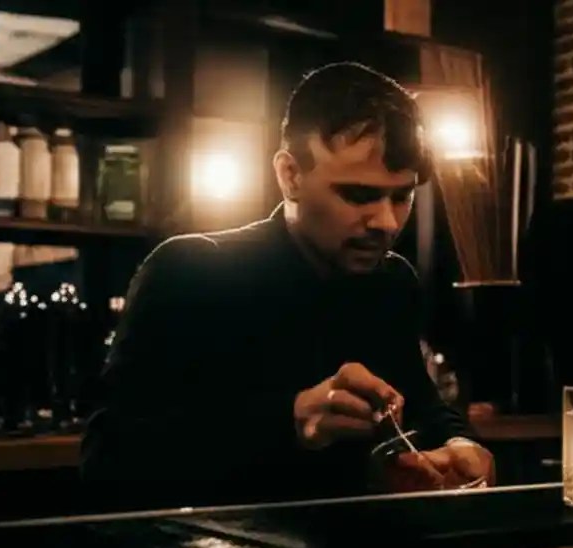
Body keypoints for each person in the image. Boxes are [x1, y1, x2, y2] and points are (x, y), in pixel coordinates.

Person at [81, 62, 494, 507]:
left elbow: (425, 409)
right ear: (290, 175)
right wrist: (292, 420)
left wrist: (461, 447)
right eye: (358, 195)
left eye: (402, 195)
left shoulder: (391, 283)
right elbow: (109, 460)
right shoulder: (189, 271)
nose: (386, 222)